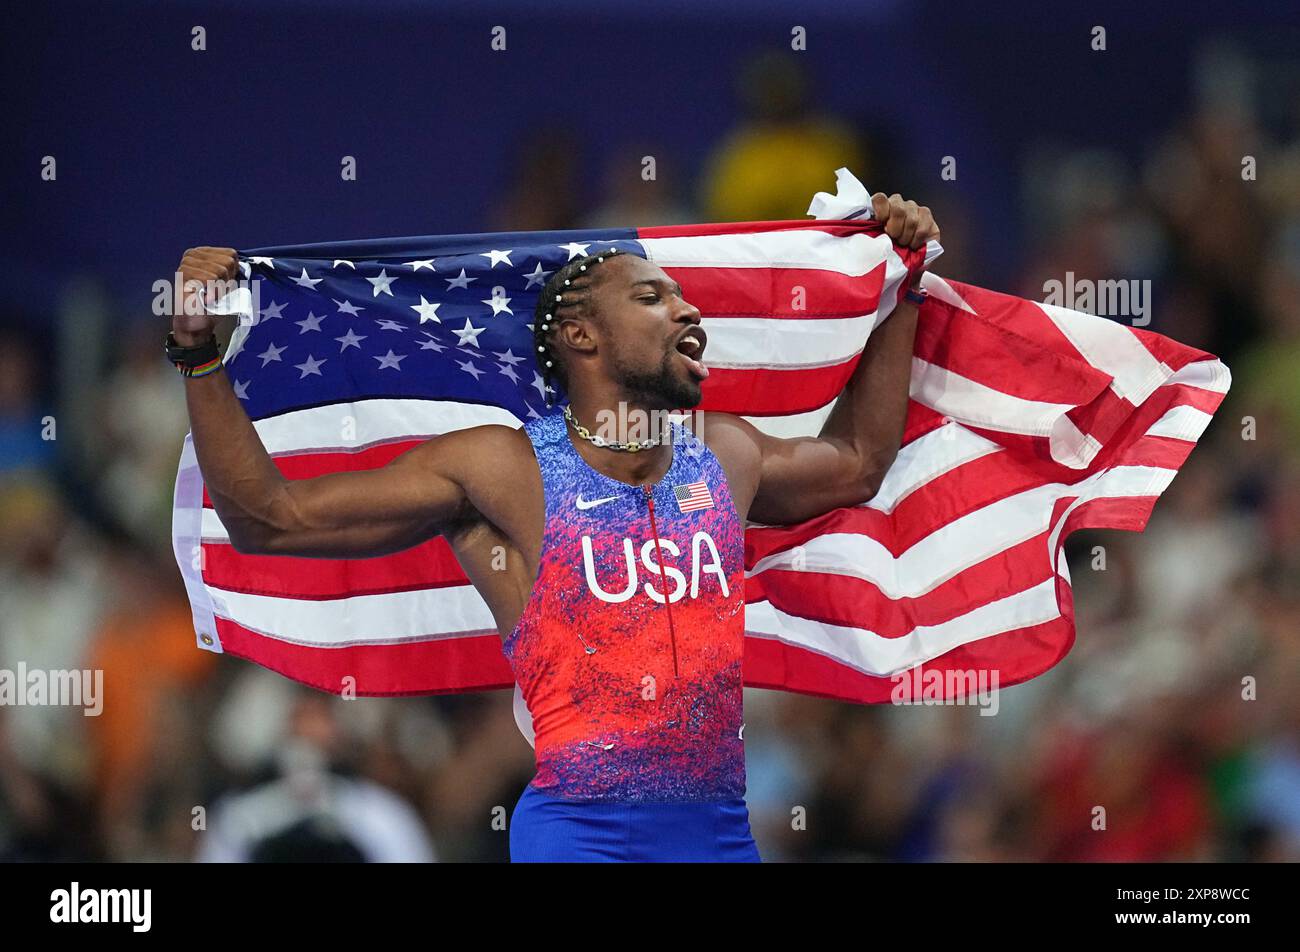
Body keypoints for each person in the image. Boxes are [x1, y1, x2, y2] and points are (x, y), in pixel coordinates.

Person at [166, 192, 939, 862]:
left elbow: (860, 460)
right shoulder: (502, 471)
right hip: (580, 833)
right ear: (581, 335)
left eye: (682, 299)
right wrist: (199, 355)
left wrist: (903, 285)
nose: (689, 309)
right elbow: (272, 519)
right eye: (653, 297)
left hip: (719, 833)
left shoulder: (724, 453)